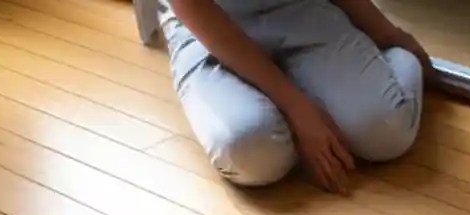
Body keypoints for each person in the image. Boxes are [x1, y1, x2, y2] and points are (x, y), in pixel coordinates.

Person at [133, 0, 432, 192]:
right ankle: (291, 104)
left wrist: (390, 35)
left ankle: (390, 62)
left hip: (300, 10)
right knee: (250, 151)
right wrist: (297, 108)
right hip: (205, 29)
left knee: (385, 132)